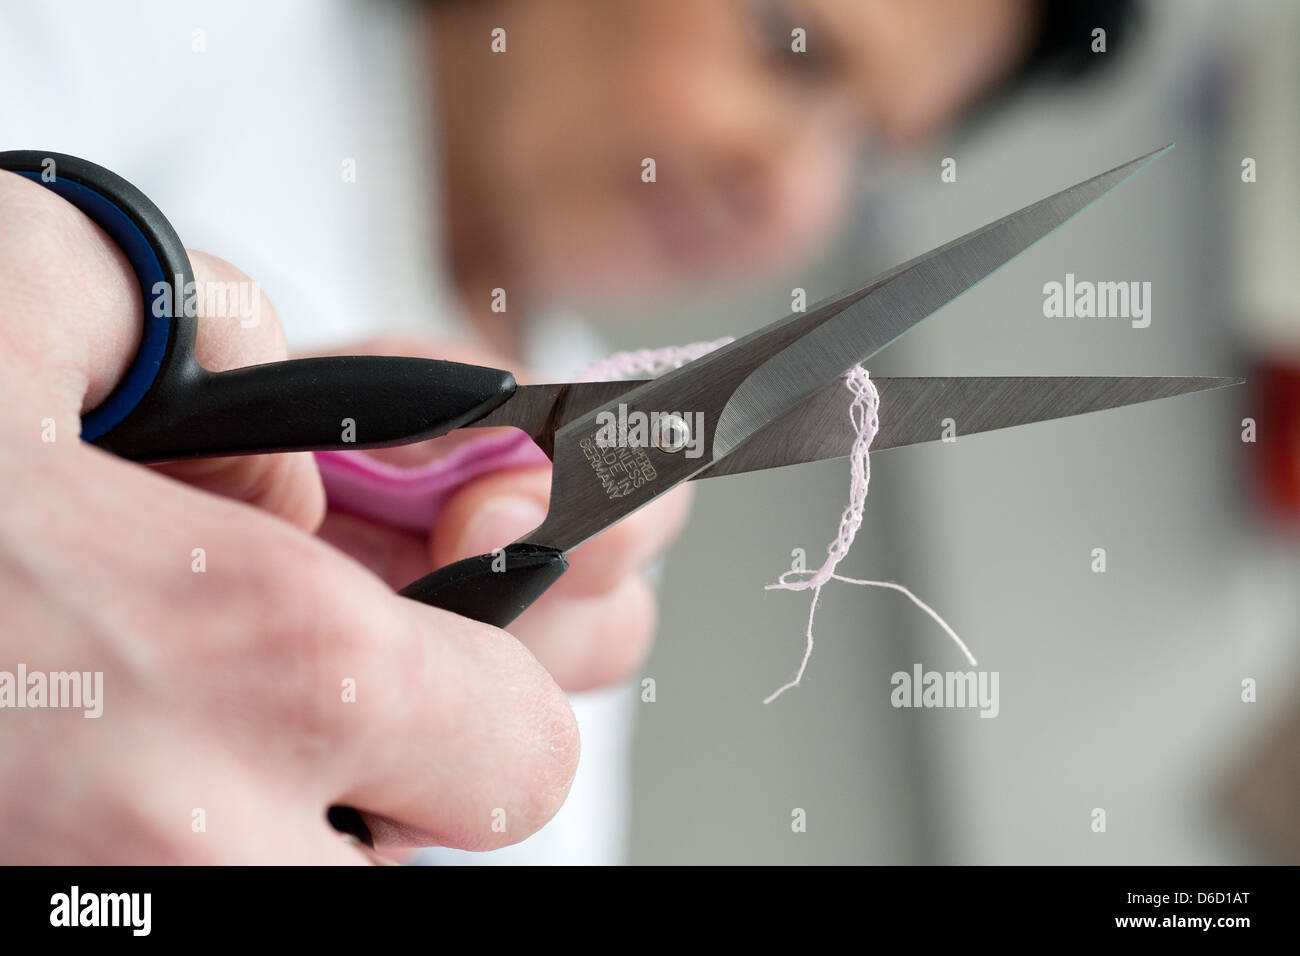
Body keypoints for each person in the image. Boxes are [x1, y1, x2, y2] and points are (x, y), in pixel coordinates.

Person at [0, 0, 1131, 864]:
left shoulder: (596, 509)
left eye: (868, 152)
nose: (791, 189)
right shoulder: (193, 32)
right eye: (790, 48)